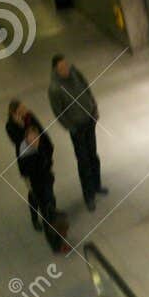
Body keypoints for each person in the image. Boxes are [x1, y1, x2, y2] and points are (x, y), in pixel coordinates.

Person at [48, 54, 108, 211]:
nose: (66, 69)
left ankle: (97, 185)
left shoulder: (75, 73)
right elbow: (58, 112)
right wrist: (71, 127)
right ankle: (89, 196)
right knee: (83, 161)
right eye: (61, 68)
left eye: (66, 65)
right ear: (55, 70)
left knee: (93, 155)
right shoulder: (55, 89)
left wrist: (94, 107)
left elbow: (87, 88)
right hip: (77, 127)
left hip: (89, 120)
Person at [18, 125, 68, 255]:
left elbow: (47, 161)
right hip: (39, 188)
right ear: (26, 139)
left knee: (51, 211)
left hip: (46, 183)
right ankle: (56, 245)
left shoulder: (39, 148)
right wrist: (31, 187)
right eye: (32, 138)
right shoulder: (26, 154)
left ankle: (58, 240)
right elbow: (25, 173)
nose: (35, 141)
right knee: (48, 216)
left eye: (37, 138)